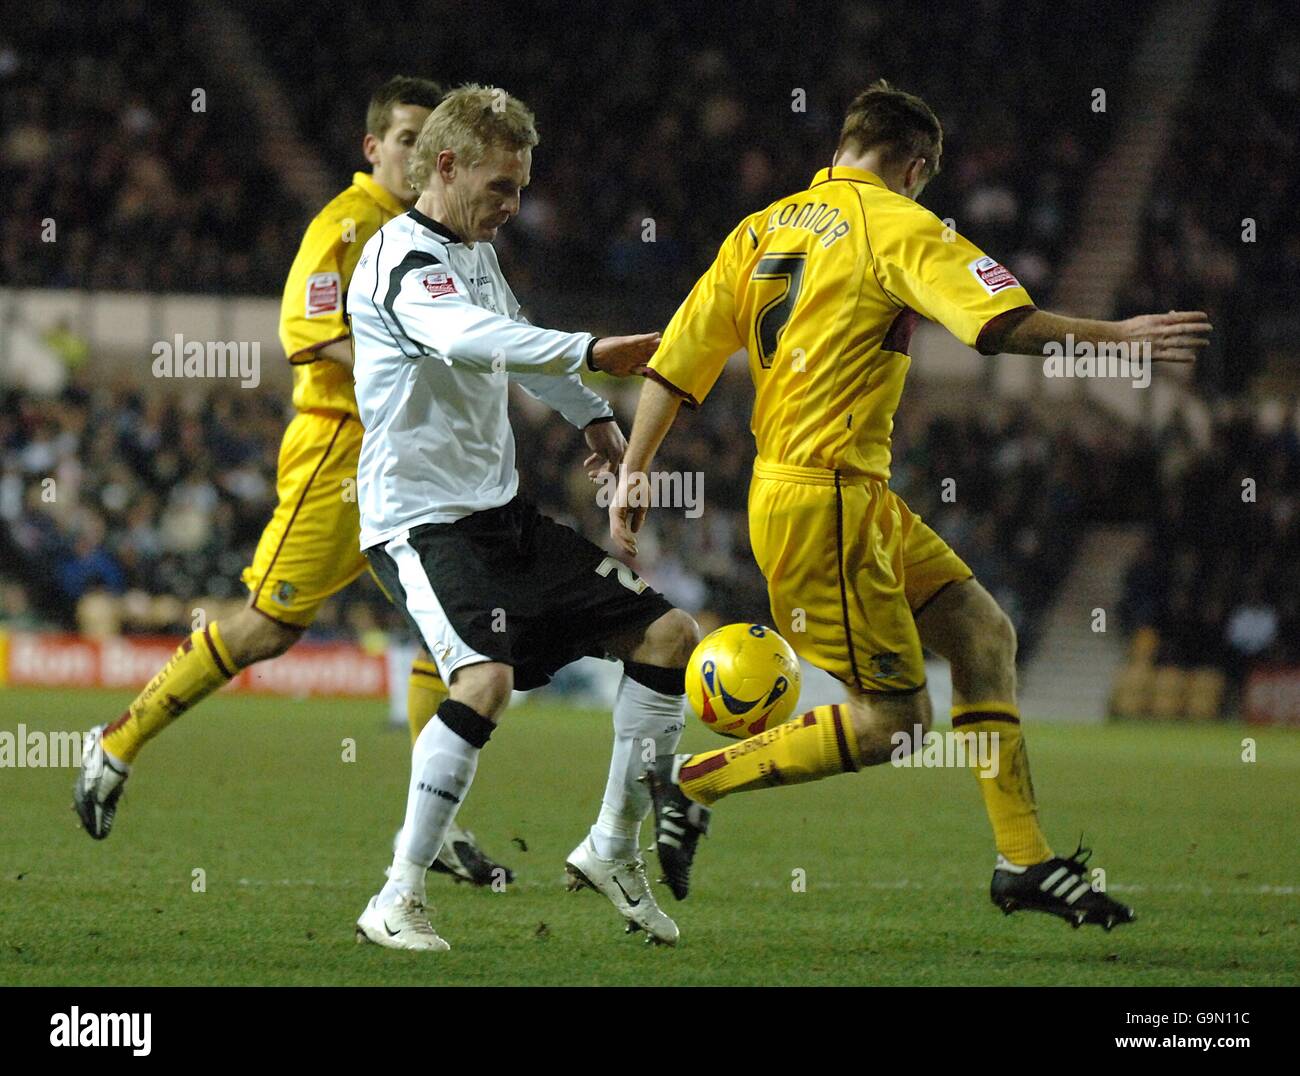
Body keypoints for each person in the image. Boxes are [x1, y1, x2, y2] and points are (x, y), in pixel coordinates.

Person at [615, 80, 1212, 930]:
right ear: (917, 165)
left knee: (982, 634)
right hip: (825, 500)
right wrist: (1116, 338)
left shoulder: (759, 230)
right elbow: (997, 324)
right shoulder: (898, 222)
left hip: (837, 493)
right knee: (896, 723)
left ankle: (1024, 861)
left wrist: (636, 470)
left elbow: (676, 362)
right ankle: (694, 783)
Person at [74, 76, 510, 886]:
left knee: (449, 635)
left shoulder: (441, 234)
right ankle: (117, 741)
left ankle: (437, 828)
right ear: (373, 148)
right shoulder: (346, 225)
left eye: (431, 140)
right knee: (269, 626)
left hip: (417, 460)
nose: (419, 154)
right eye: (406, 139)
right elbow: (307, 333)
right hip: (344, 454)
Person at [348, 84, 701, 951]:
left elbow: (511, 336)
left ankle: (612, 846)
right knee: (484, 682)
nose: (513, 207)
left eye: (520, 188)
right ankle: (396, 896)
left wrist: (592, 414)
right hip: (419, 523)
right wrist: (590, 350)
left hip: (501, 516)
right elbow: (472, 338)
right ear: (445, 166)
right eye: (500, 187)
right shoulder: (399, 260)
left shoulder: (475, 254)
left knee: (668, 634)